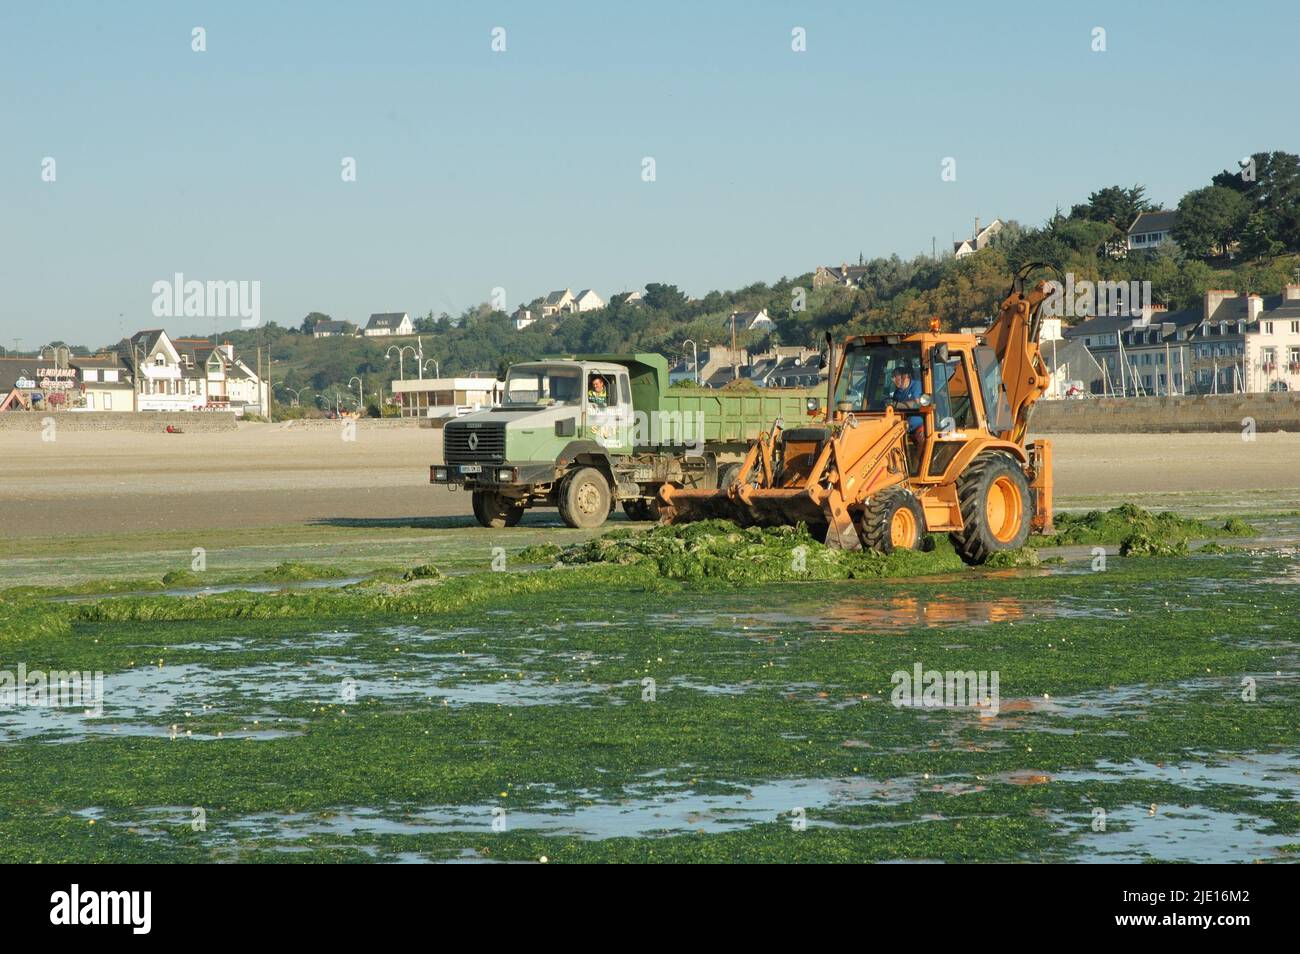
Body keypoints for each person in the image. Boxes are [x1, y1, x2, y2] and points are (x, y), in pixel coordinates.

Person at [889, 363, 925, 450]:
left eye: (895, 376)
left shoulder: (916, 386)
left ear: (905, 376)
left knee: (923, 441)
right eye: (892, 377)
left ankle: (919, 461)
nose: (893, 380)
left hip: (920, 426)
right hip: (904, 428)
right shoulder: (897, 393)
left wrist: (897, 405)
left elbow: (917, 404)